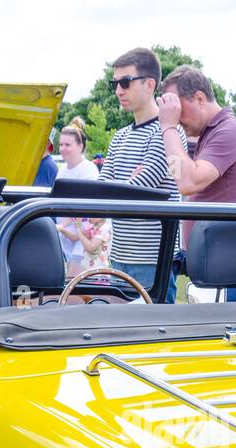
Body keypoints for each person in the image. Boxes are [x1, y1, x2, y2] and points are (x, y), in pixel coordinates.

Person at [156, 65, 236, 299]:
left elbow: (187, 182)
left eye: (178, 107)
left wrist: (167, 127)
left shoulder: (232, 132)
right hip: (216, 263)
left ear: (199, 98)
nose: (174, 115)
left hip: (229, 267)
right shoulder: (212, 133)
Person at [100, 47, 184, 303]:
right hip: (119, 258)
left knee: (154, 338)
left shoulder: (170, 132)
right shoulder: (120, 136)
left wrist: (126, 185)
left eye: (125, 82)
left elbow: (141, 186)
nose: (118, 91)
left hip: (153, 260)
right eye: (114, 83)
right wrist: (128, 185)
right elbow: (100, 191)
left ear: (150, 84)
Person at [53, 116, 99, 277]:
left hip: (84, 237)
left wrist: (63, 226)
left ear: (80, 146)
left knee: (74, 283)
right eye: (61, 144)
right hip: (65, 236)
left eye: (68, 145)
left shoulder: (88, 170)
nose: (63, 148)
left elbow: (83, 207)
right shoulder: (62, 170)